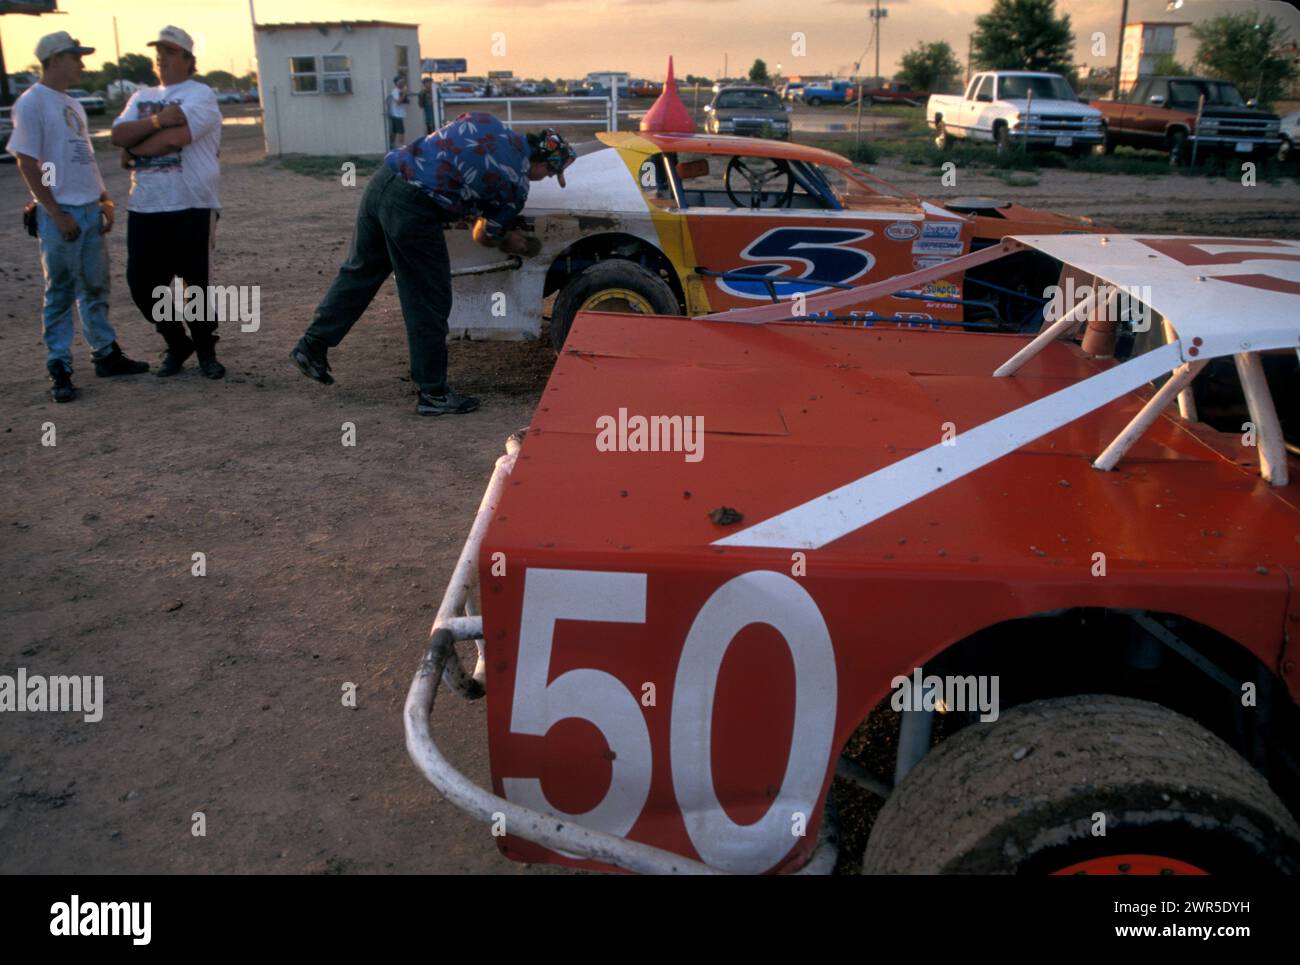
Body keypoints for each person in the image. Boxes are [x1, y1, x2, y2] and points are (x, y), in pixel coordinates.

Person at [290, 113, 575, 416]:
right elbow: (487, 235)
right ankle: (433, 393)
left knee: (360, 273)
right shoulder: (515, 184)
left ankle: (312, 346)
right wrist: (513, 241)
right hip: (415, 208)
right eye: (547, 174)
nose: (541, 178)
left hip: (385, 180)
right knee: (428, 298)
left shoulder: (486, 121)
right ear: (543, 162)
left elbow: (449, 152)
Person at [8, 31, 149, 403]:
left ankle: (105, 353)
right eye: (75, 56)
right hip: (62, 213)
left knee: (95, 287)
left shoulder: (72, 103)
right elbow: (27, 160)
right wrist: (53, 212)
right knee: (61, 291)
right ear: (54, 59)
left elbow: (80, 155)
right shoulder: (32, 103)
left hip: (87, 208)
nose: (82, 64)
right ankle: (59, 365)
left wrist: (103, 198)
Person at [109, 25, 225, 379]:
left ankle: (206, 350)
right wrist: (157, 120)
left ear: (189, 60)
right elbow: (117, 135)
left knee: (195, 285)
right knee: (142, 284)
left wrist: (134, 148)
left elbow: (174, 141)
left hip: (190, 202)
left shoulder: (200, 94)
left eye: (170, 51)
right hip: (144, 204)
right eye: (158, 51)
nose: (160, 57)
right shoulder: (141, 96)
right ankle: (177, 342)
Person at [388, 75, 408, 149]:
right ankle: (401, 146)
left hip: (400, 114)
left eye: (403, 82)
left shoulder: (402, 90)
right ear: (396, 83)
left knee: (396, 131)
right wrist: (404, 93)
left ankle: (393, 145)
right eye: (400, 82)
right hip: (396, 114)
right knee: (400, 131)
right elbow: (398, 102)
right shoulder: (395, 91)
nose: (402, 84)